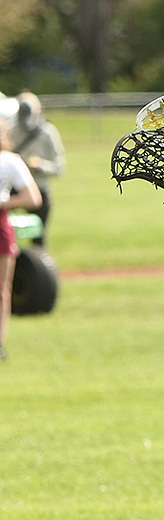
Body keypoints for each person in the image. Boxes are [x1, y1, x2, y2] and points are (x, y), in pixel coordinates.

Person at [0, 123, 42, 361]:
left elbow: (32, 198)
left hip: (1, 224)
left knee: (2, 289)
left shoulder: (10, 161)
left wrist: (3, 202)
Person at [5, 91, 65, 246]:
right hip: (13, 187)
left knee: (39, 239)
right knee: (5, 234)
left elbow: (59, 168)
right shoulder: (10, 129)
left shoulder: (47, 132)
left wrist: (39, 166)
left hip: (39, 187)